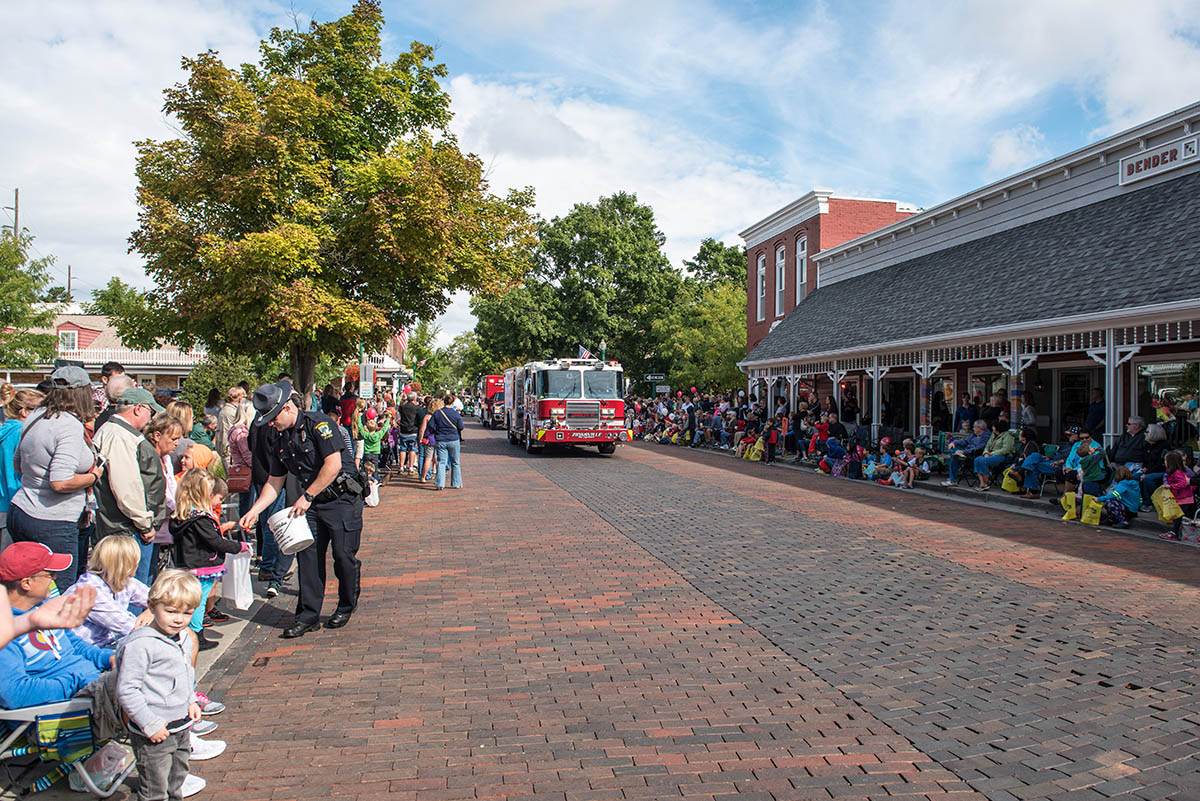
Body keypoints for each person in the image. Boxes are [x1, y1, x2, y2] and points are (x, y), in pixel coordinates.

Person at [240, 381, 363, 639]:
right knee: (308, 559)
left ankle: (346, 603)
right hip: (311, 504)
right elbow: (275, 481)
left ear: (286, 408)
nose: (271, 424)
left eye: (273, 418)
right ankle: (307, 615)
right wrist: (255, 510)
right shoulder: (280, 438)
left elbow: (333, 465)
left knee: (343, 556)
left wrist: (307, 495)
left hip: (340, 499)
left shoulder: (319, 424)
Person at [115, 569, 212, 801]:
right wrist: (149, 723)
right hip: (153, 730)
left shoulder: (184, 637)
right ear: (151, 606)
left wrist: (191, 700)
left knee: (177, 780)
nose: (179, 619)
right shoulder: (141, 645)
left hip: (180, 726)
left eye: (187, 613)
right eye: (170, 612)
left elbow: (186, 672)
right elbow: (127, 689)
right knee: (153, 789)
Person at [9, 366, 102, 590]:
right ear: (81, 392)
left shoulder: (37, 416)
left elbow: (19, 465)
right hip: (52, 521)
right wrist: (93, 476)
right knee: (59, 593)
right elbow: (60, 482)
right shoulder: (68, 424)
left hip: (22, 510)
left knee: (25, 590)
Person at [0, 542, 114, 710]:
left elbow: (74, 645)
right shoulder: (6, 631)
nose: (55, 579)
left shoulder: (41, 608)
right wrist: (79, 682)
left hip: (90, 687)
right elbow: (14, 694)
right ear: (26, 583)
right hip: (63, 709)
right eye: (50, 574)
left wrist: (108, 658)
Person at [94, 388, 168, 587]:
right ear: (138, 409)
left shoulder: (118, 432)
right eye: (150, 412)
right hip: (126, 529)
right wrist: (145, 523)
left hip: (125, 526)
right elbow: (126, 486)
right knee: (130, 588)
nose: (151, 418)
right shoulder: (119, 436)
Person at [170, 469, 247, 651]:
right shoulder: (201, 519)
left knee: (189, 601)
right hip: (203, 566)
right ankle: (197, 635)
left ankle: (186, 633)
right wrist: (239, 547)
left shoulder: (183, 516)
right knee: (199, 602)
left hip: (187, 565)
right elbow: (215, 541)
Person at [64, 535, 152, 648]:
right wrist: (158, 610)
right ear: (127, 564)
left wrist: (151, 611)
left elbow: (163, 599)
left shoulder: (125, 582)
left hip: (103, 645)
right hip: (81, 650)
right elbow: (134, 628)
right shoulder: (91, 591)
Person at [0, 389, 44, 543]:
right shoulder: (22, 432)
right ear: (24, 412)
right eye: (41, 410)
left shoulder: (5, 429)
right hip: (15, 501)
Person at [427, 394, 464, 489]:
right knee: (455, 462)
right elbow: (461, 427)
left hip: (441, 439)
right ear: (452, 403)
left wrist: (436, 431)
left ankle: (439, 484)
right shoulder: (456, 414)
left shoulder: (437, 413)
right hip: (453, 439)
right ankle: (456, 483)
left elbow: (430, 426)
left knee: (441, 462)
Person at [973, 419, 1018, 491]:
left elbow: (1006, 449)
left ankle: (986, 482)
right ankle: (982, 483)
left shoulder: (1007, 436)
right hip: (991, 454)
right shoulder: (993, 435)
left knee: (983, 461)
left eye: (993, 426)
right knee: (977, 460)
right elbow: (987, 446)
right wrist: (986, 452)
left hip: (1003, 456)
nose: (992, 428)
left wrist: (991, 454)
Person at [1160, 450, 1195, 541]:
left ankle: (1174, 533)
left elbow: (1183, 483)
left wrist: (1171, 486)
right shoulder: (1175, 472)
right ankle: (1176, 532)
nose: (1164, 462)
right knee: (1179, 516)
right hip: (1182, 497)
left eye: (1166, 460)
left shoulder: (1177, 472)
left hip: (1184, 498)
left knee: (1178, 517)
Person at [214, 387, 246, 467]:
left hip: (227, 452)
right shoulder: (231, 412)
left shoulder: (226, 410)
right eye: (244, 397)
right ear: (239, 397)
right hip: (230, 454)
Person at [396, 392, 421, 474]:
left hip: (403, 430)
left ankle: (401, 466)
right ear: (414, 398)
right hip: (413, 430)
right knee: (412, 449)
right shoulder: (417, 408)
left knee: (403, 449)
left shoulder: (402, 407)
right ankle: (410, 467)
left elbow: (398, 417)